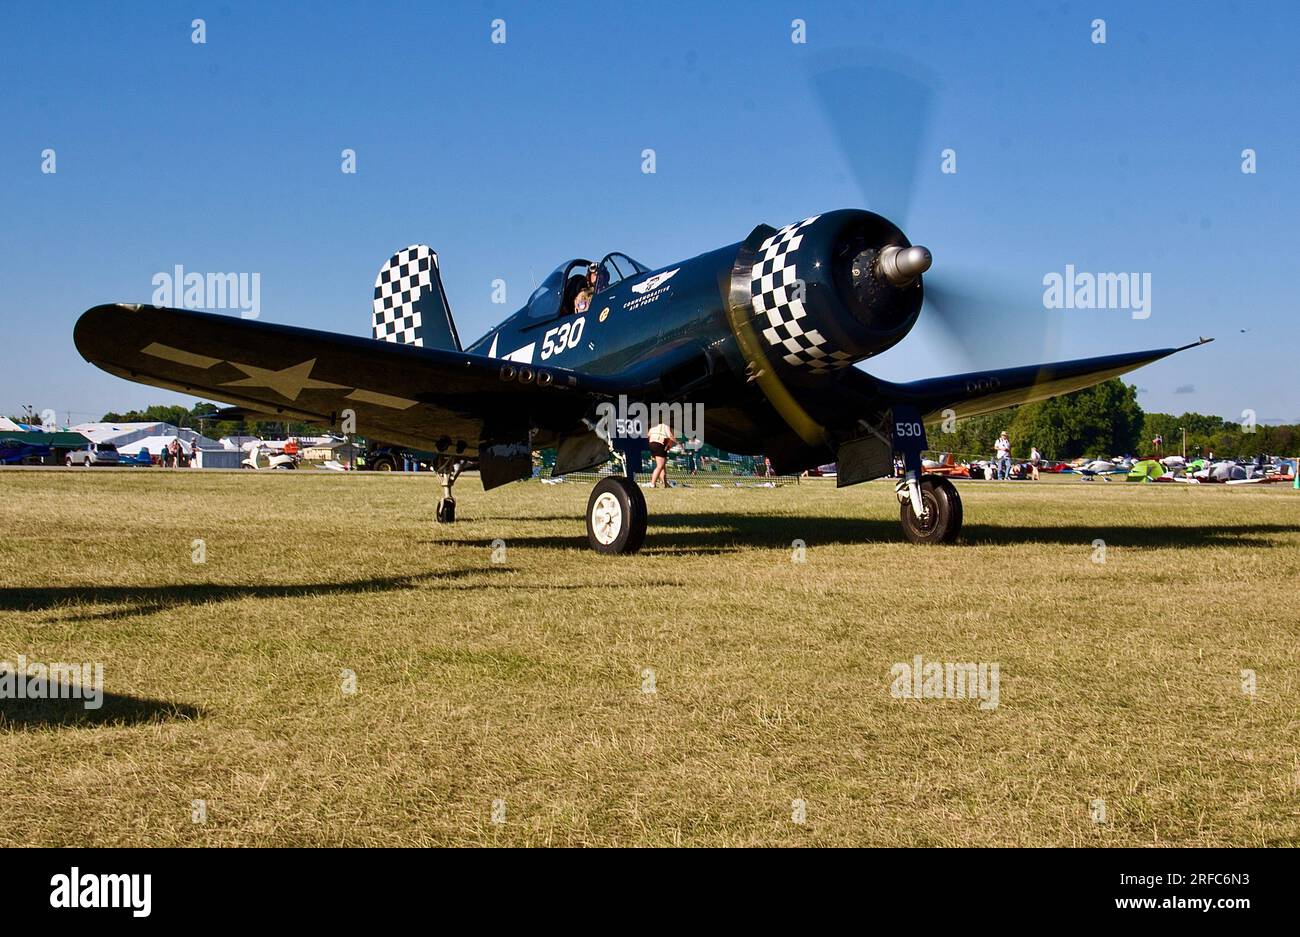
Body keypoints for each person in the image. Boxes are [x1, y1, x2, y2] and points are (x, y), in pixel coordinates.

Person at [647, 421, 677, 488]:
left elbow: (648, 434)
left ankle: (665, 484)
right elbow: (670, 436)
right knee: (660, 466)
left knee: (662, 466)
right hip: (660, 443)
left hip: (652, 444)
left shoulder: (653, 424)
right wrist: (676, 442)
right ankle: (652, 483)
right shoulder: (666, 424)